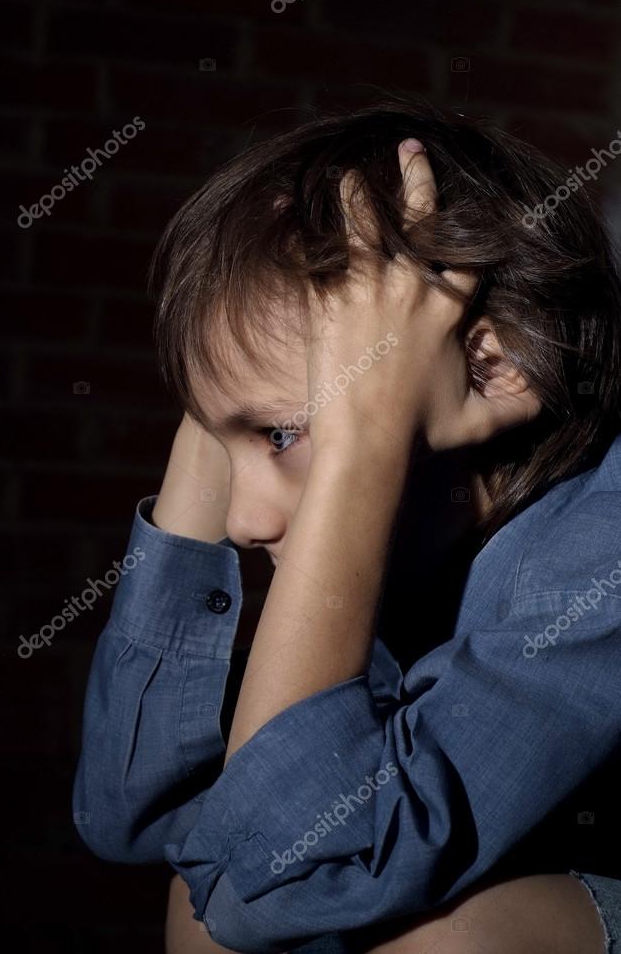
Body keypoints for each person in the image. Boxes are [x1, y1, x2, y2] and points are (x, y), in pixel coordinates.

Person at [73, 95, 621, 953]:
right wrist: (221, 382)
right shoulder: (418, 553)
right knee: (198, 912)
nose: (241, 522)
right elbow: (131, 814)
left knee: (437, 942)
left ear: (491, 367)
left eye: (279, 435)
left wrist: (362, 434)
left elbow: (276, 882)